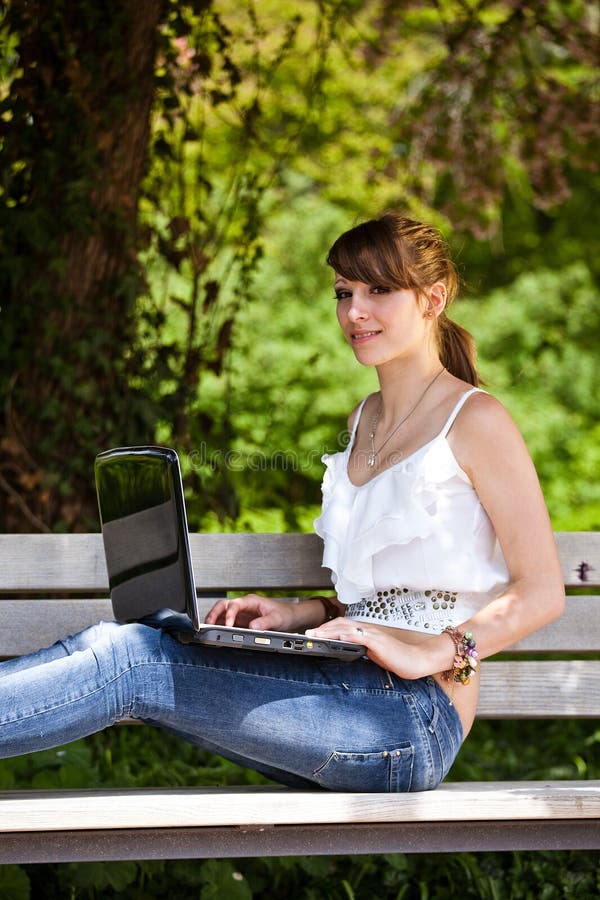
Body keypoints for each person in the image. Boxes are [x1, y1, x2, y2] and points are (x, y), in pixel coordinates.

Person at [0, 213, 565, 793]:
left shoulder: (476, 420)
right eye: (344, 293)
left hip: (409, 718)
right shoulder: (362, 422)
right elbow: (373, 602)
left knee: (131, 664)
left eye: (379, 291)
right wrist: (296, 615)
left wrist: (436, 653)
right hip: (338, 682)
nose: (354, 312)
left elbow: (542, 591)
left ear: (433, 299)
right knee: (120, 642)